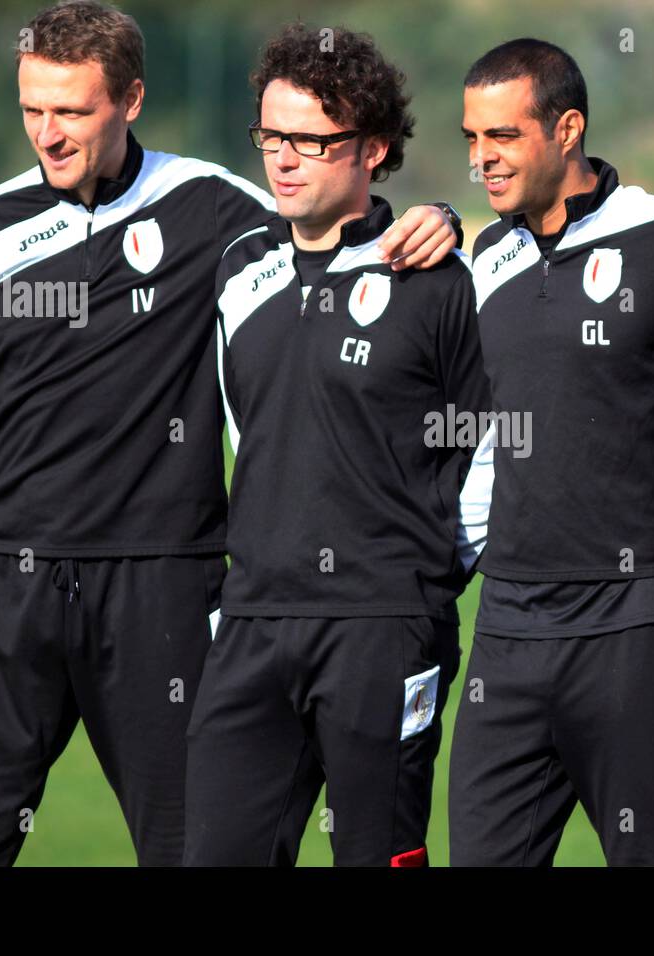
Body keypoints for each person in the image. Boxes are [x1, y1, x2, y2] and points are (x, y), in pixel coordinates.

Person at [0, 0, 457, 866]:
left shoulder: (217, 211)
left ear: (129, 100)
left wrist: (437, 219)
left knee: (201, 850)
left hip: (164, 590)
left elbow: (333, 222)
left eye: (73, 111)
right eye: (32, 110)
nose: (47, 134)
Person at [182, 23, 488, 868]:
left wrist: (429, 572)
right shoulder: (239, 269)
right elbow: (251, 427)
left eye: (313, 142)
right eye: (272, 137)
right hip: (253, 624)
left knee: (377, 856)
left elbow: (489, 440)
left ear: (373, 148)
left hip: (384, 626)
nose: (285, 159)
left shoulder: (434, 278)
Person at [448, 38, 654, 867]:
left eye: (503, 137)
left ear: (567, 129)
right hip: (510, 625)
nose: (482, 160)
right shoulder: (485, 257)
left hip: (639, 624)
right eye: (471, 139)